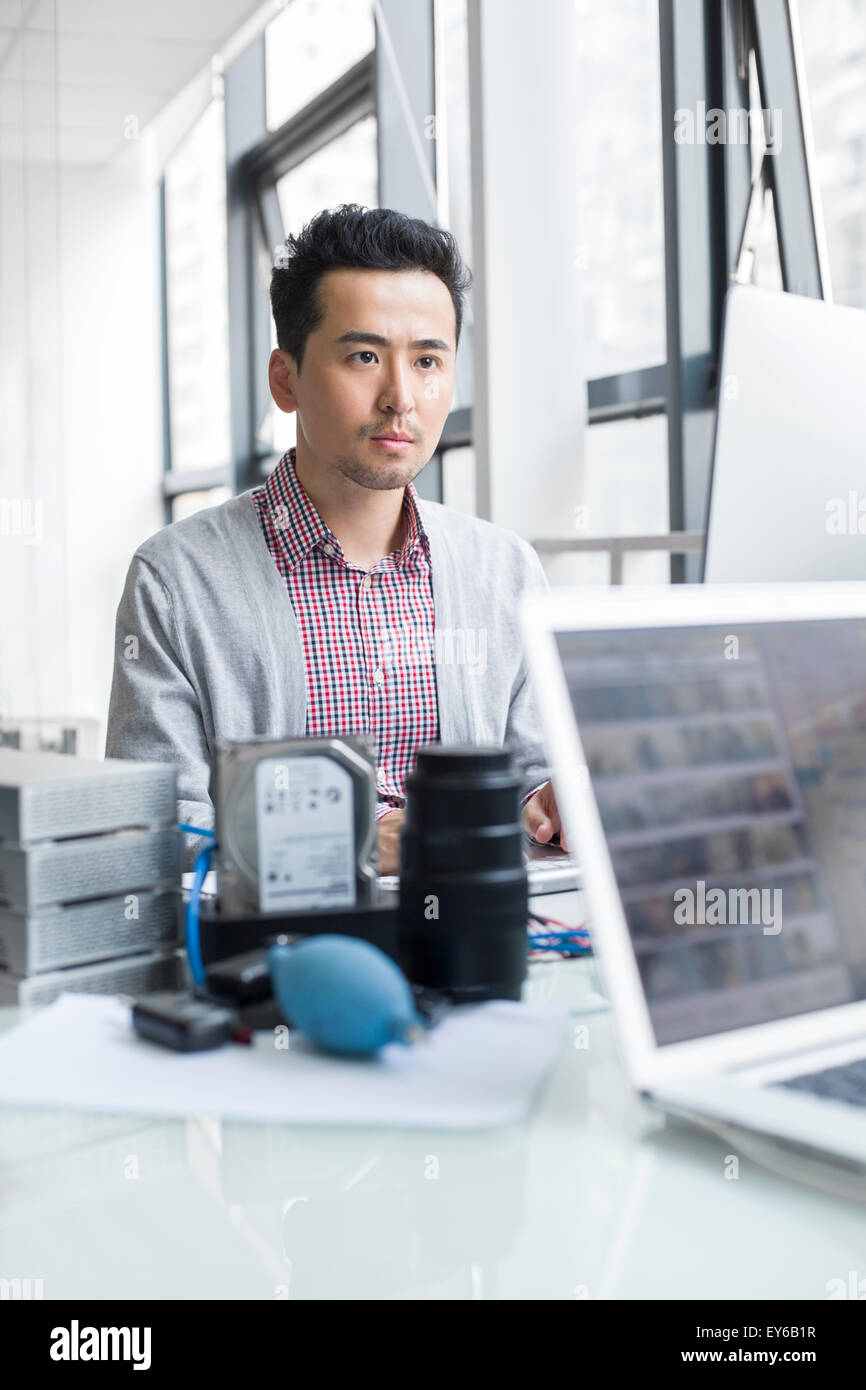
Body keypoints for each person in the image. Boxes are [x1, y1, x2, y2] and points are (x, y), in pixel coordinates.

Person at [105, 204, 566, 873]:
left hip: (483, 934)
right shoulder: (176, 580)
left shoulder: (506, 570)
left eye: (428, 360)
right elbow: (152, 826)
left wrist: (554, 803)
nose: (400, 397)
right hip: (290, 951)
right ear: (285, 379)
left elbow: (536, 782)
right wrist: (345, 841)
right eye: (363, 356)